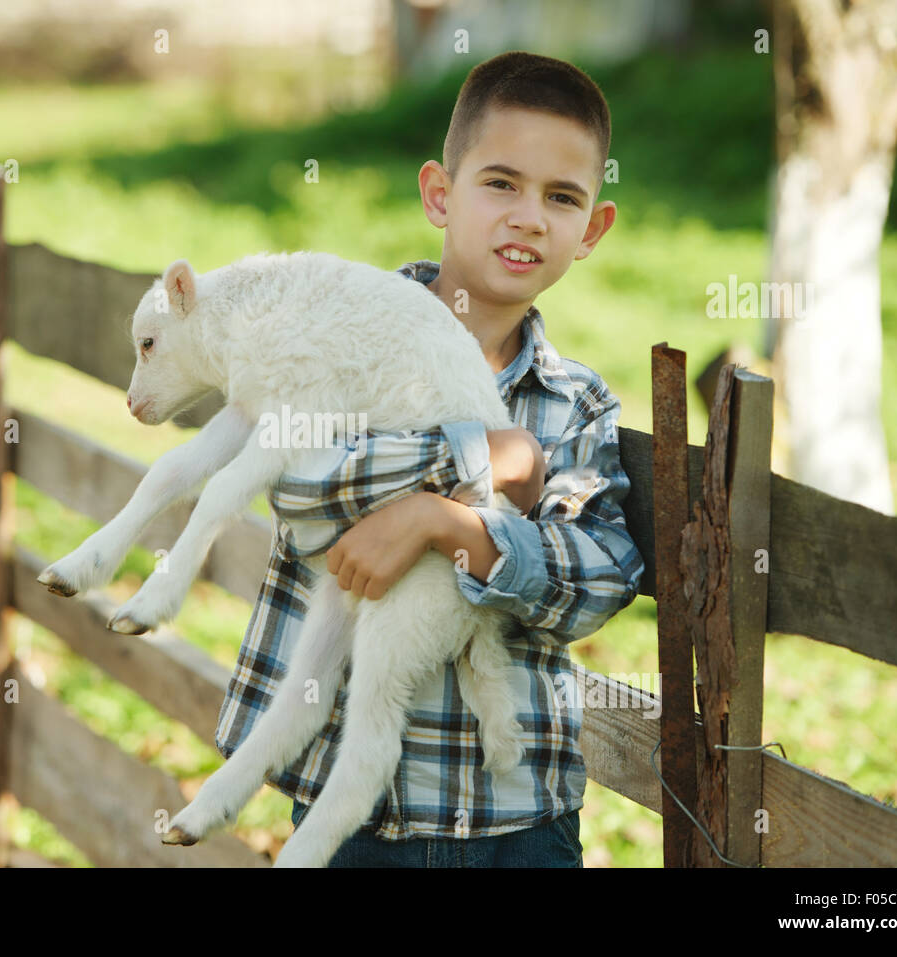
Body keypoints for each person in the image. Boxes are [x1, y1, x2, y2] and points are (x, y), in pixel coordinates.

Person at [214, 51, 644, 867]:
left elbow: (601, 576)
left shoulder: (575, 403)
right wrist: (483, 456)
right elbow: (301, 492)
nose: (528, 216)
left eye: (561, 198)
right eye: (501, 183)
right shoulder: (341, 346)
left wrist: (442, 520)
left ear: (591, 229)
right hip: (357, 818)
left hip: (520, 820)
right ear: (439, 195)